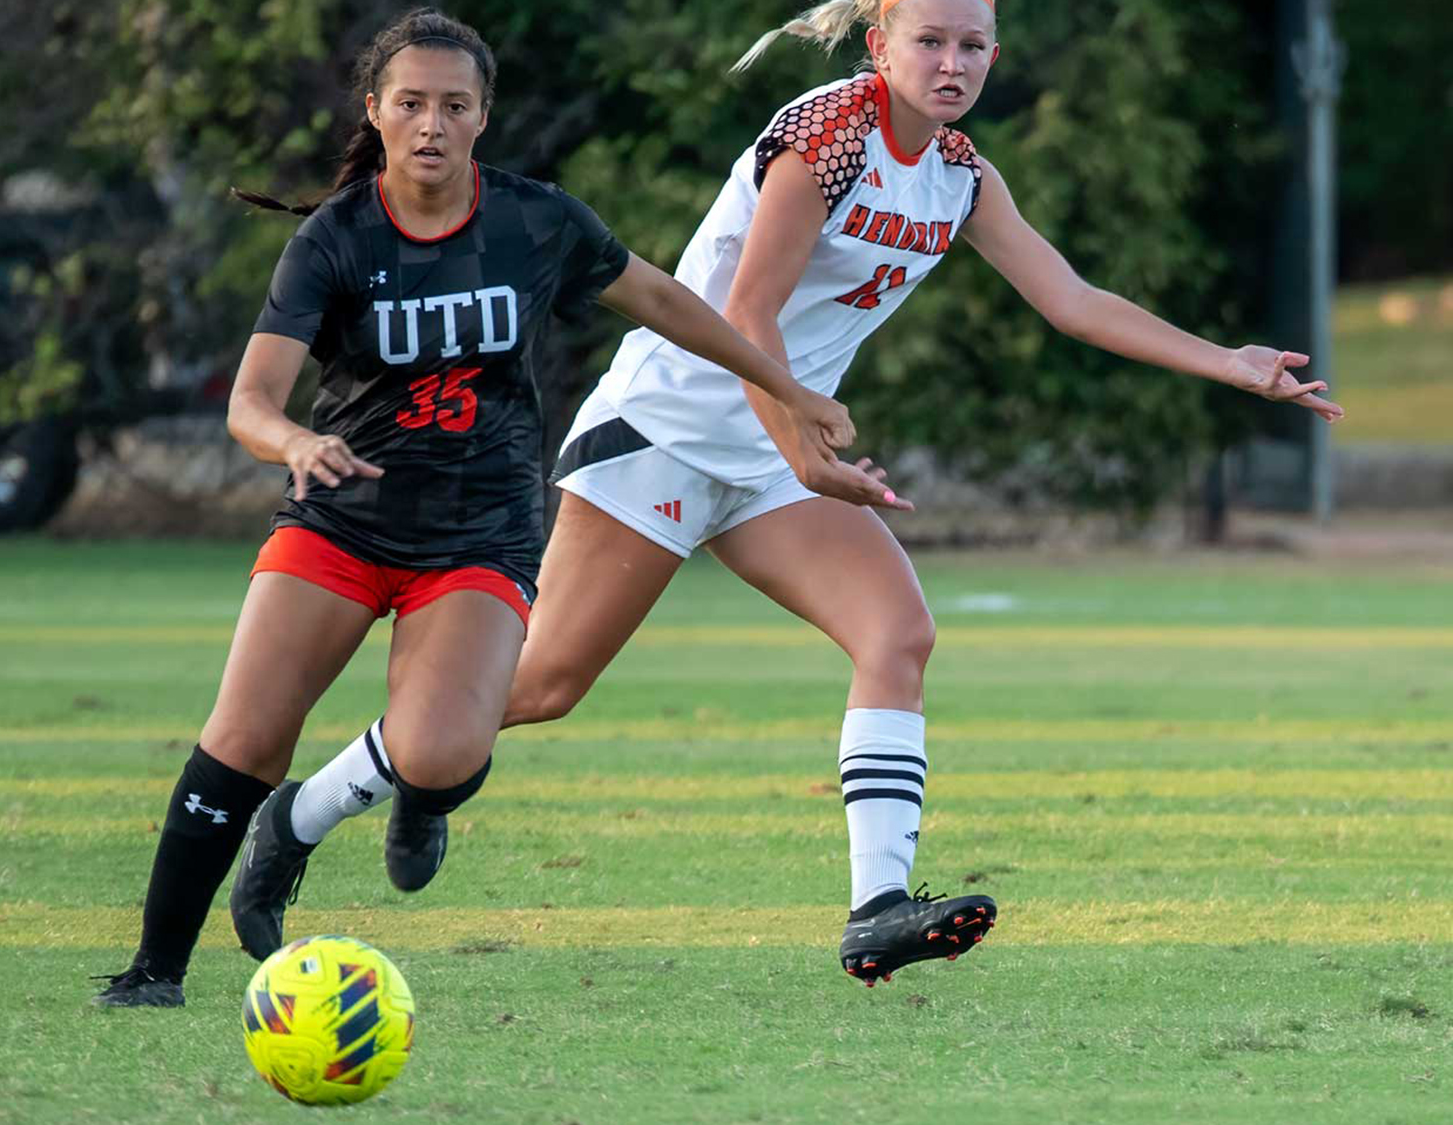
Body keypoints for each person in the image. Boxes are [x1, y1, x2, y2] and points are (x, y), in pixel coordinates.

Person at [236, 0, 1341, 987]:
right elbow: (748, 318)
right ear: (878, 43)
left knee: (898, 633)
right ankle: (303, 814)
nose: (951, 62)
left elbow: (1070, 299)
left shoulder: (958, 173)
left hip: (772, 459)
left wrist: (1226, 362)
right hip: (664, 433)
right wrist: (803, 442)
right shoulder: (827, 132)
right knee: (529, 693)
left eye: (971, 45)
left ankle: (873, 911)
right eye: (929, 40)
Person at [94, 7, 884, 1009]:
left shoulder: (533, 221)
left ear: (481, 118)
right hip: (340, 522)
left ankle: (422, 800)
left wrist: (786, 388)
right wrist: (296, 442)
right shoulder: (335, 240)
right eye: (411, 103)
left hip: (476, 534)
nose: (431, 123)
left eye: (453, 105)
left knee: (442, 750)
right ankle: (153, 971)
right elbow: (251, 403)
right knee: (245, 737)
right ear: (375, 112)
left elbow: (672, 302)